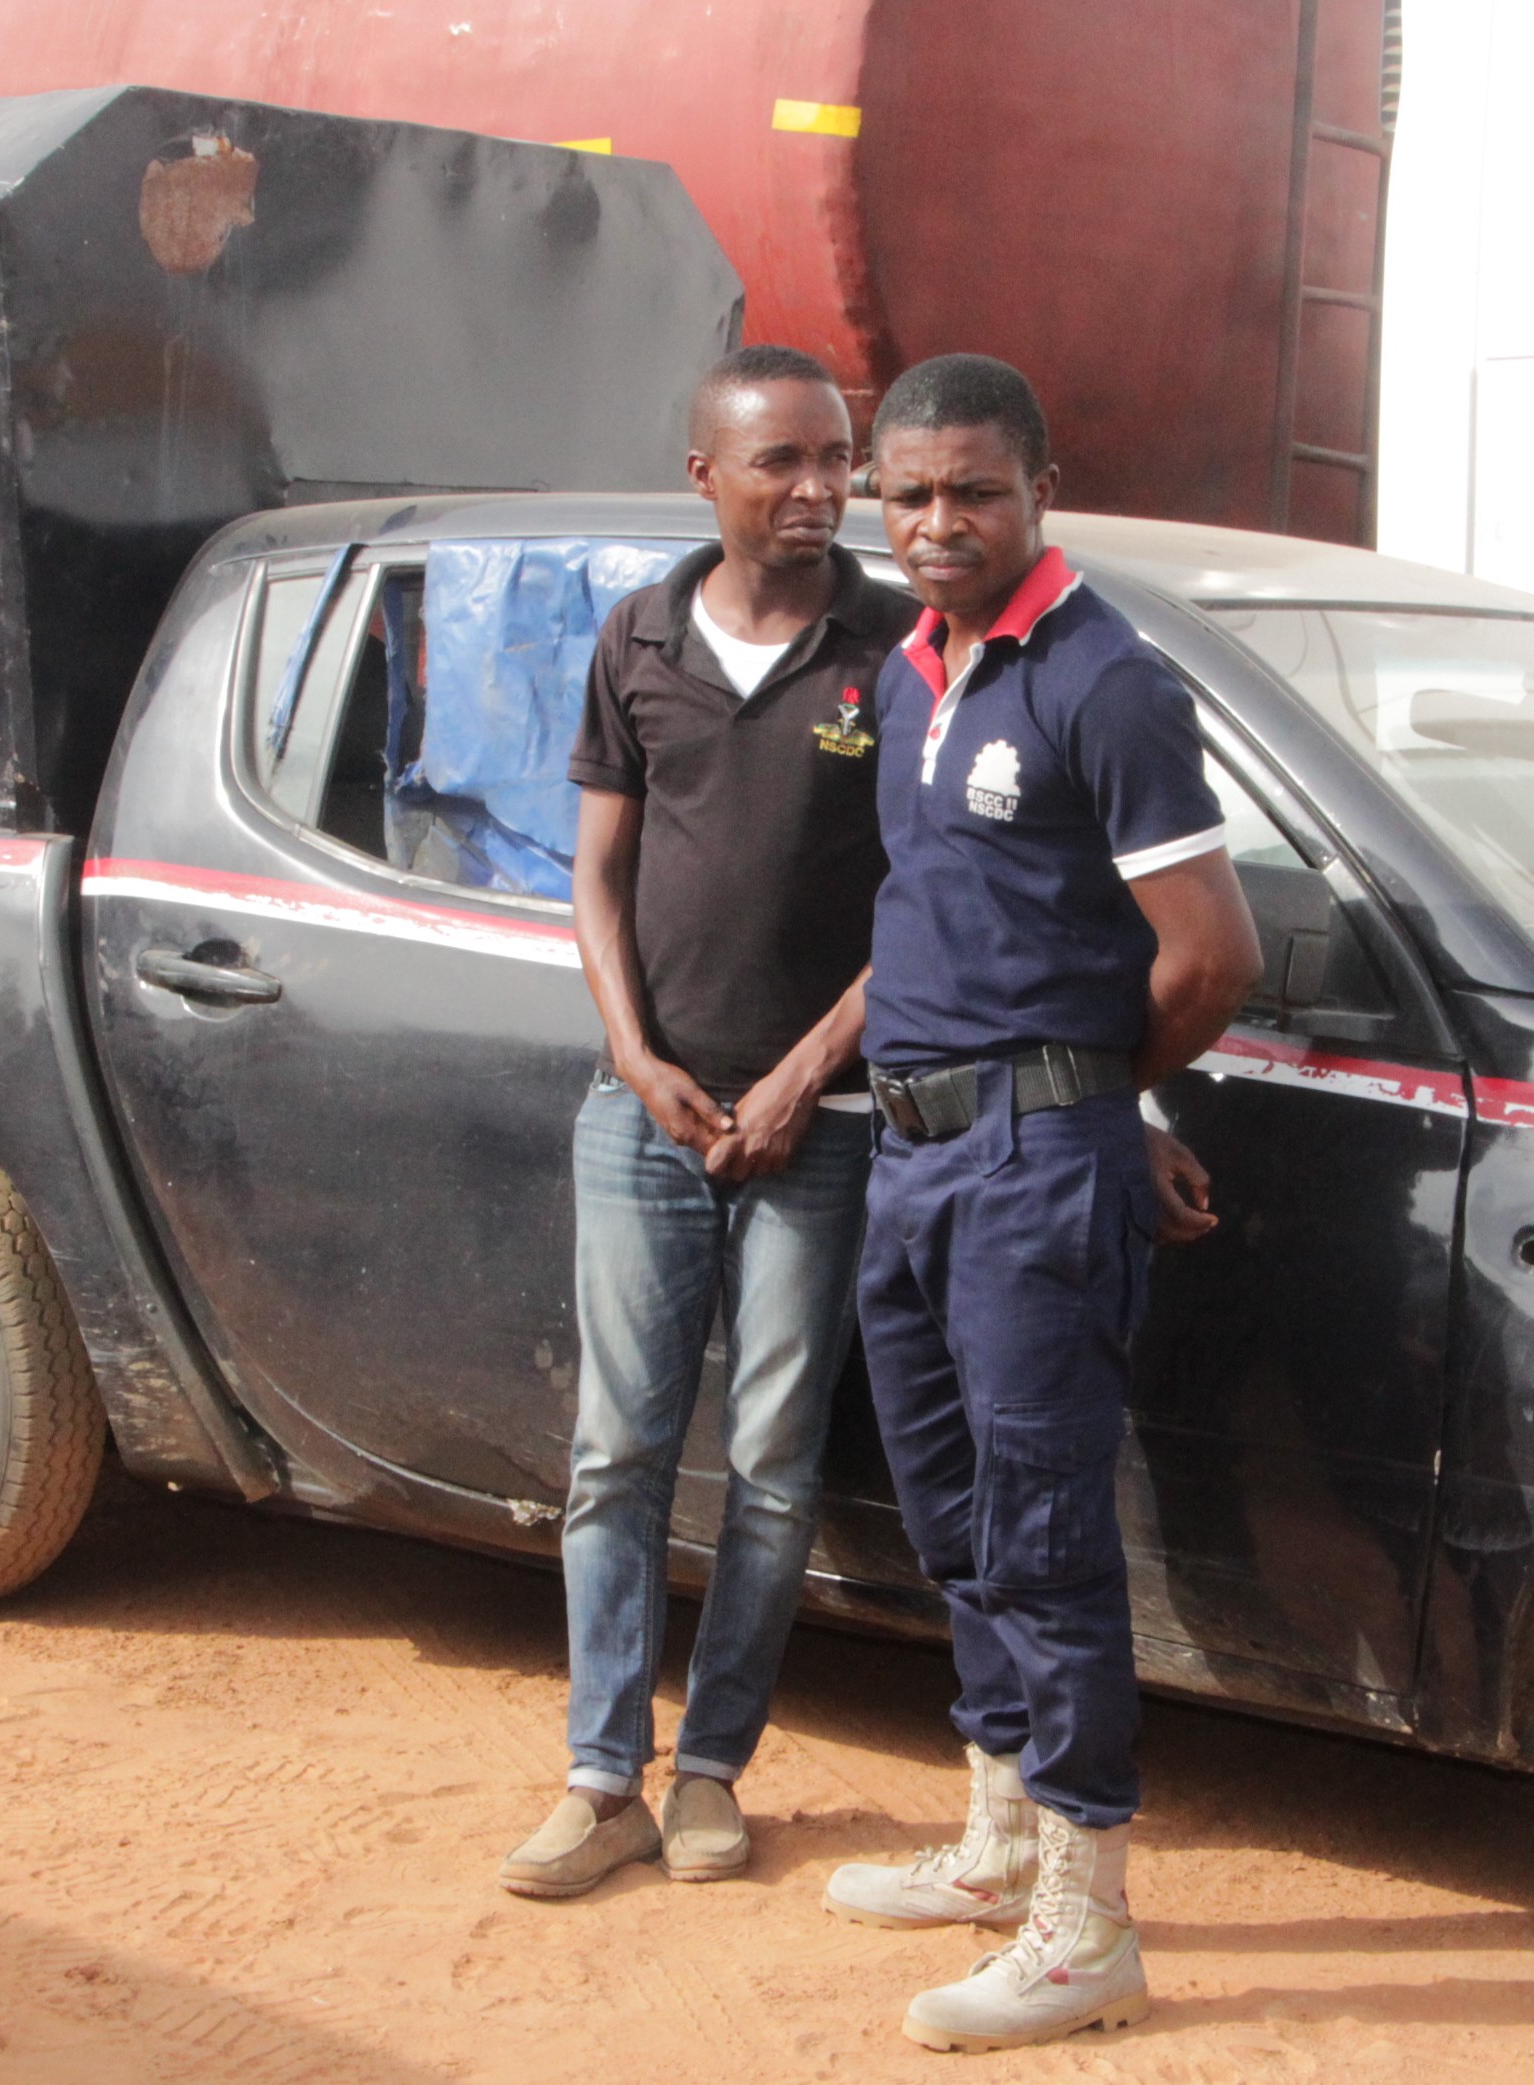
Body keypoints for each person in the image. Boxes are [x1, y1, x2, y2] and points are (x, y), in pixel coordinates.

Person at [822, 355, 1262, 2051]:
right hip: (916, 1156)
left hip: (1024, 1170)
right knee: (949, 1508)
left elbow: (1208, 957)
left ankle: (1089, 1919)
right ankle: (1002, 1841)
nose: (938, 523)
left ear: (1040, 489)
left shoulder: (1106, 681)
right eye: (910, 493)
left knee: (1046, 1533)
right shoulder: (917, 665)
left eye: (974, 493)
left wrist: (1097, 1100)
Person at [497, 345, 915, 1898]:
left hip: (834, 1122)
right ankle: (602, 1777)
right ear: (706, 478)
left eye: (835, 459)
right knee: (616, 1449)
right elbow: (595, 876)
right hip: (645, 1122)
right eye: (783, 462)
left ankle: (715, 1768)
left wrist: (808, 1072)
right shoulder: (640, 637)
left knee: (776, 1463)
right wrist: (636, 1055)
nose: (820, 488)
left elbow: (931, 900)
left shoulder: (899, 647)